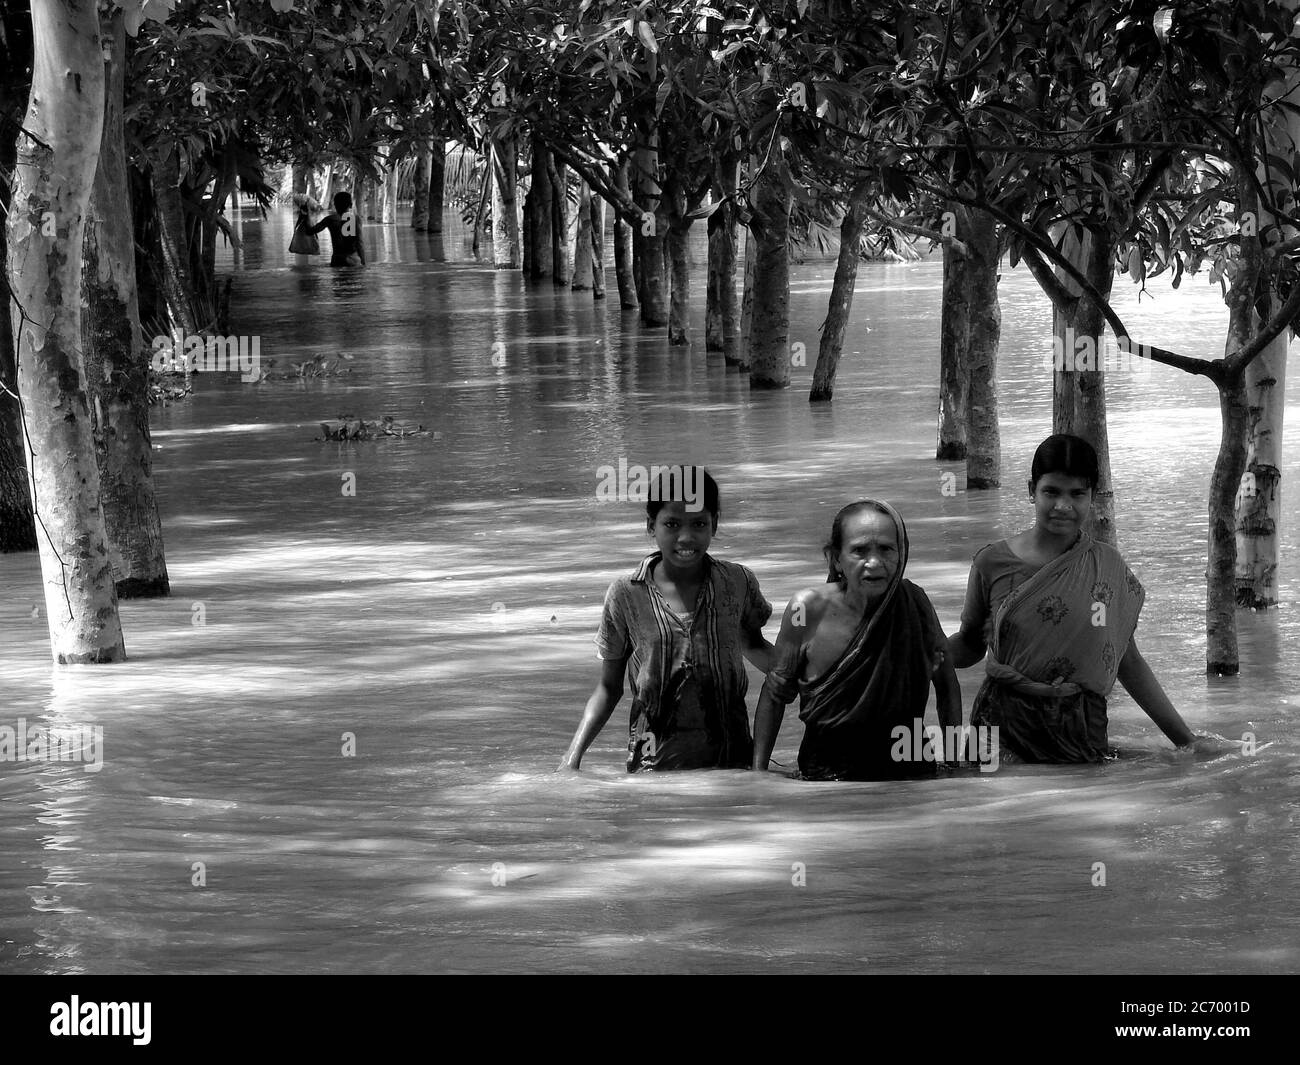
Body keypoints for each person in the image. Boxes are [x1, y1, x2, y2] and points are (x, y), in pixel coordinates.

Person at [948, 433, 1204, 761]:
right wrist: (923, 651)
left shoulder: (1106, 567)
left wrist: (1187, 741)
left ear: (1092, 497)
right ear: (1031, 492)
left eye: (1077, 494)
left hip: (1080, 728)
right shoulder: (992, 563)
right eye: (1051, 492)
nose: (1063, 506)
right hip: (1001, 730)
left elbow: (1127, 660)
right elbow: (970, 644)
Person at [559, 469, 774, 772]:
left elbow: (755, 647)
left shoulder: (737, 583)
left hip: (732, 762)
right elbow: (609, 688)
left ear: (715, 524)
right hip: (652, 766)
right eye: (672, 524)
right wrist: (571, 761)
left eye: (699, 524)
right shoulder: (626, 594)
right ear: (651, 525)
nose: (686, 537)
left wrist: (815, 678)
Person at [752, 499, 962, 780]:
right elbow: (774, 694)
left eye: (886, 549)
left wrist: (953, 768)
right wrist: (758, 775)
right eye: (860, 551)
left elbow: (947, 685)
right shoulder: (806, 608)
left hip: (910, 777)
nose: (874, 563)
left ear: (901, 554)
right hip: (826, 780)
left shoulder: (915, 603)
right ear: (836, 559)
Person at [308, 191, 366, 267]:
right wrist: (363, 263)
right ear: (351, 205)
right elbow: (360, 243)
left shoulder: (330, 219)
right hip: (353, 259)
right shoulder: (355, 219)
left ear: (335, 205)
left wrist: (306, 215)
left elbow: (310, 231)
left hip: (337, 260)